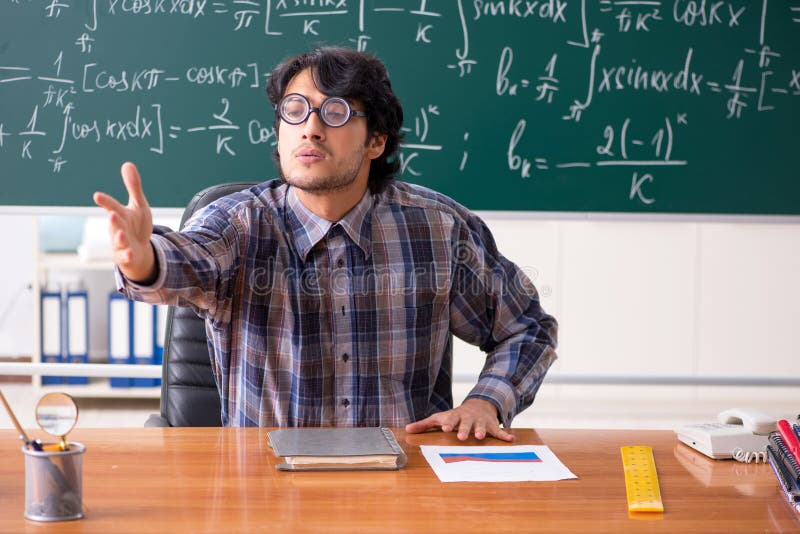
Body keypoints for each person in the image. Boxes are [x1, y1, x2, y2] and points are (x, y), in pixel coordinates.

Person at [93, 47, 557, 441]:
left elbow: (527, 328)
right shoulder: (237, 223)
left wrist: (488, 401)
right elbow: (184, 261)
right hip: (264, 486)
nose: (310, 128)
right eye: (295, 110)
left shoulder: (438, 228)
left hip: (403, 487)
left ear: (376, 141)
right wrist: (143, 259)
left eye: (334, 112)